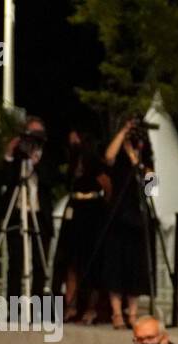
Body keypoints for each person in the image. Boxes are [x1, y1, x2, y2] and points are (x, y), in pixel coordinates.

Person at [98, 117, 155, 329]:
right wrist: (123, 133)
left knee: (135, 265)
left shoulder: (145, 156)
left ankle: (132, 312)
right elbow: (108, 157)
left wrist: (140, 164)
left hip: (138, 216)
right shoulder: (119, 154)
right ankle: (116, 313)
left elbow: (152, 190)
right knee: (115, 263)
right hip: (117, 213)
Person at [52, 130, 109, 325]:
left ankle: (94, 309)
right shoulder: (74, 162)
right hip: (76, 212)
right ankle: (71, 306)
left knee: (91, 264)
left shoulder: (96, 163)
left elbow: (107, 185)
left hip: (98, 214)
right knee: (70, 262)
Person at [1, 115, 55, 298]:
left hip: (40, 214)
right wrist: (10, 153)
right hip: (17, 211)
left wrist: (35, 163)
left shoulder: (48, 155)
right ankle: (13, 308)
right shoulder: (17, 154)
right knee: (16, 263)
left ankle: (37, 308)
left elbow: (50, 181)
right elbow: (6, 180)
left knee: (40, 264)